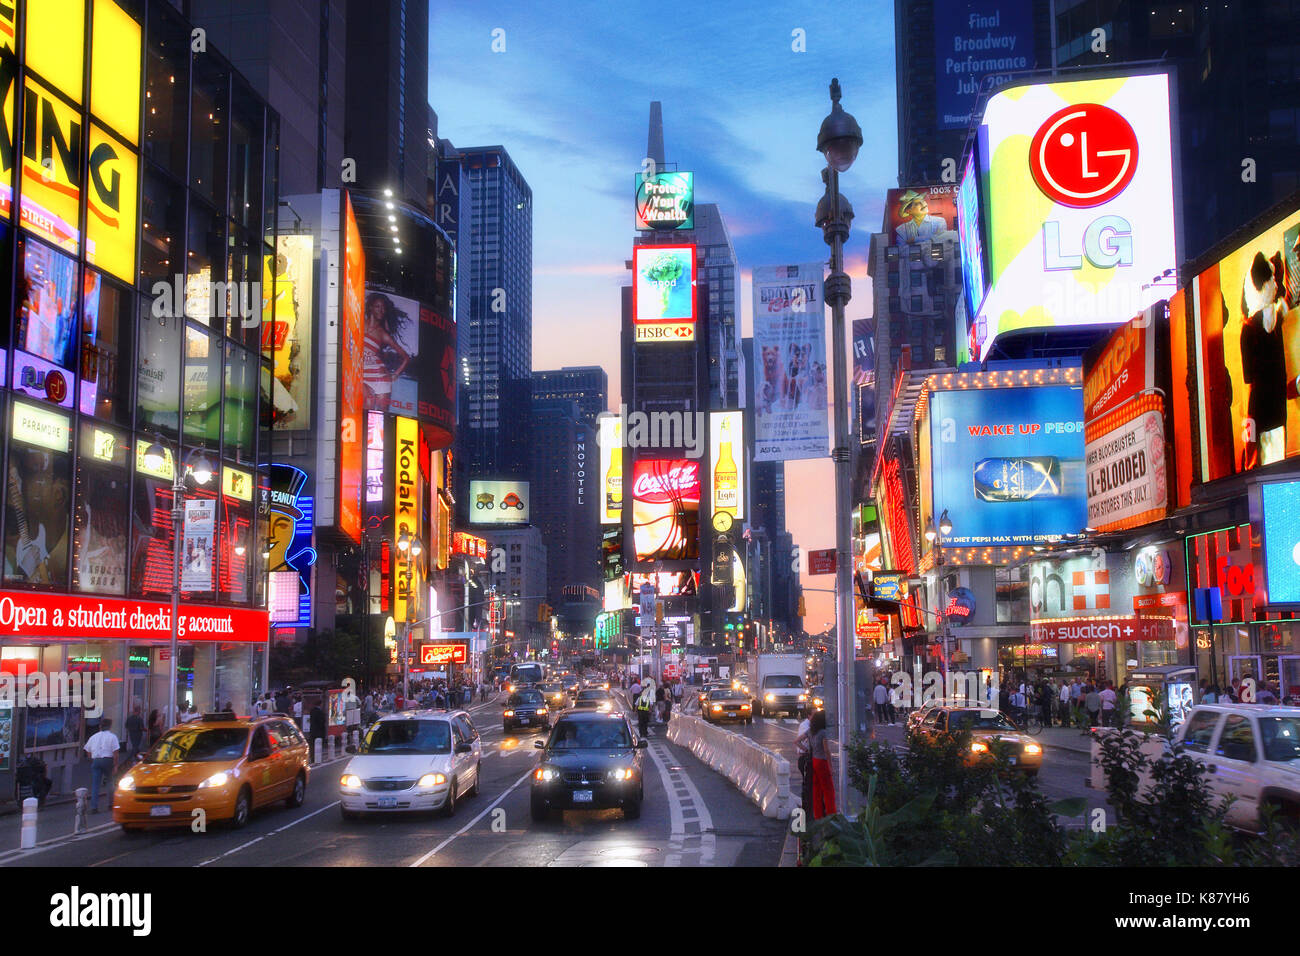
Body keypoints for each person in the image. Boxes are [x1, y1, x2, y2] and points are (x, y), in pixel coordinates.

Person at [84, 718, 120, 814]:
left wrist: (92, 759)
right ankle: (110, 804)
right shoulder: (113, 737)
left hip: (96, 760)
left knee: (95, 784)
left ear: (100, 726)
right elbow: (115, 753)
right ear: (110, 726)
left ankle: (94, 807)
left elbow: (87, 749)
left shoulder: (94, 737)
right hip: (108, 760)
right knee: (110, 782)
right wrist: (116, 765)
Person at [808, 709, 836, 819]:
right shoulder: (823, 732)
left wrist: (805, 749)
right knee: (829, 790)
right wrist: (831, 766)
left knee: (817, 790)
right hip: (822, 761)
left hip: (814, 759)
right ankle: (831, 815)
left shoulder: (811, 731)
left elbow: (797, 740)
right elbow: (826, 750)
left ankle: (818, 815)